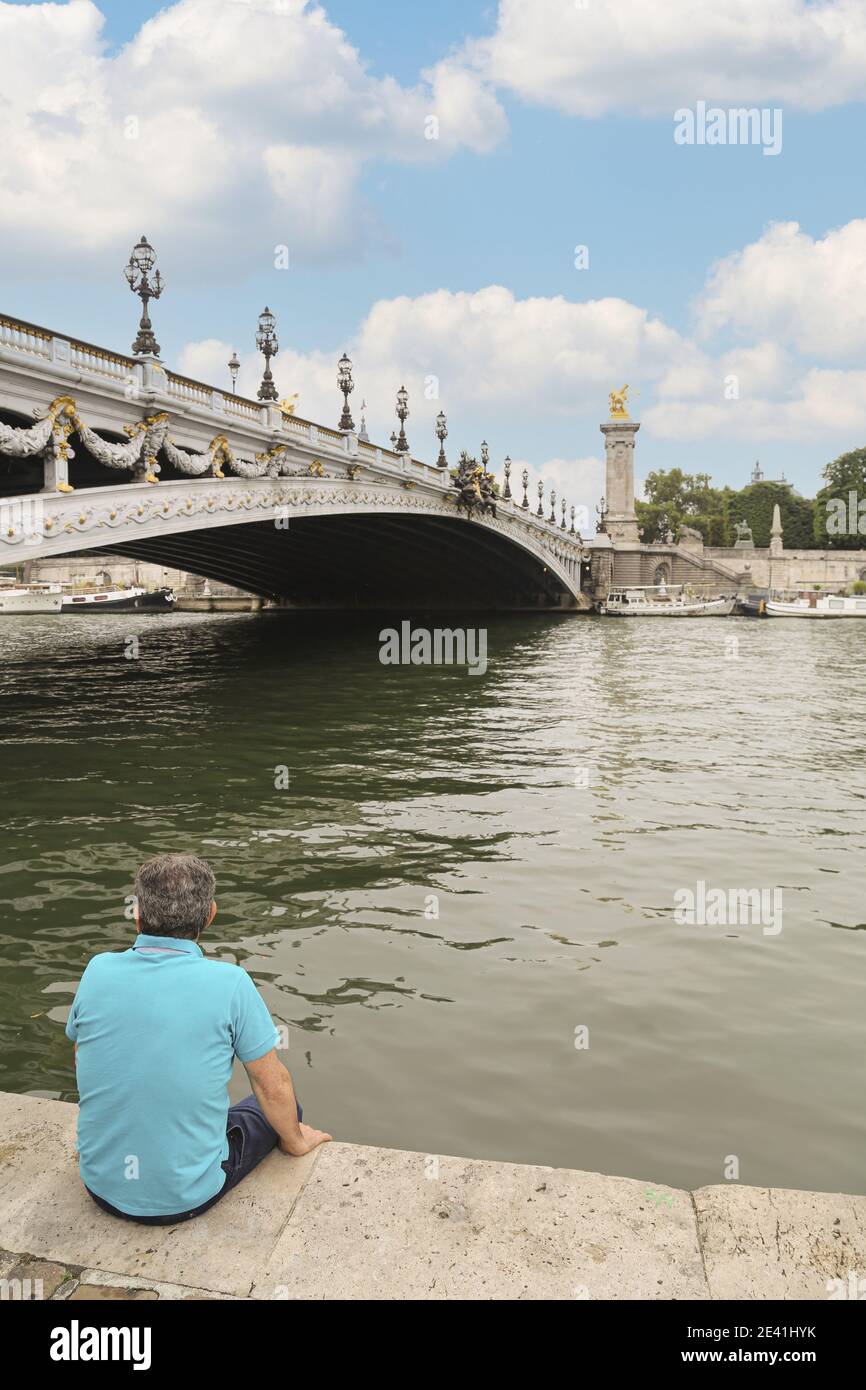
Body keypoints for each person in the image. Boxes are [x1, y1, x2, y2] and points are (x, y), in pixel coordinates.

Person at [65, 853, 331, 1224]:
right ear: (210, 915)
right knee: (283, 1109)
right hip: (184, 1197)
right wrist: (296, 1141)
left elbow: (83, 1056)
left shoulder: (97, 970)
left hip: (100, 1186)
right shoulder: (231, 983)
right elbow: (273, 1086)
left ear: (137, 914)